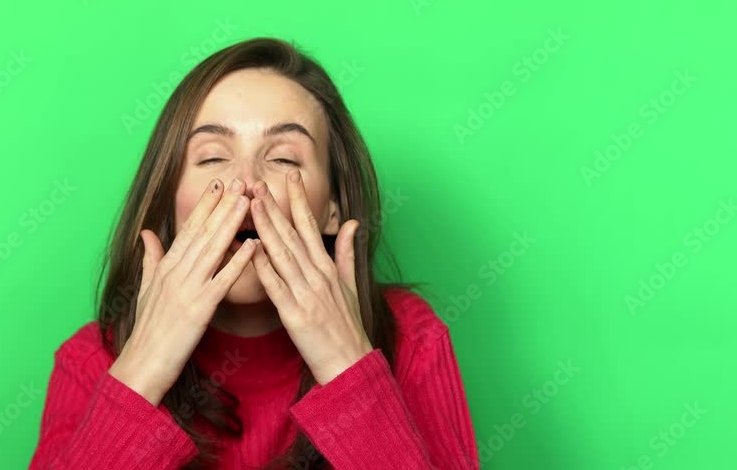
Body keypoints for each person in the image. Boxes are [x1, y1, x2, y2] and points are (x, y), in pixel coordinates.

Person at [28, 38, 478, 469]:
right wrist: (142, 373)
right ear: (169, 200)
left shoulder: (413, 340)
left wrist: (348, 368)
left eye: (284, 158)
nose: (244, 184)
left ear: (332, 211)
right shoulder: (91, 360)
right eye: (210, 158)